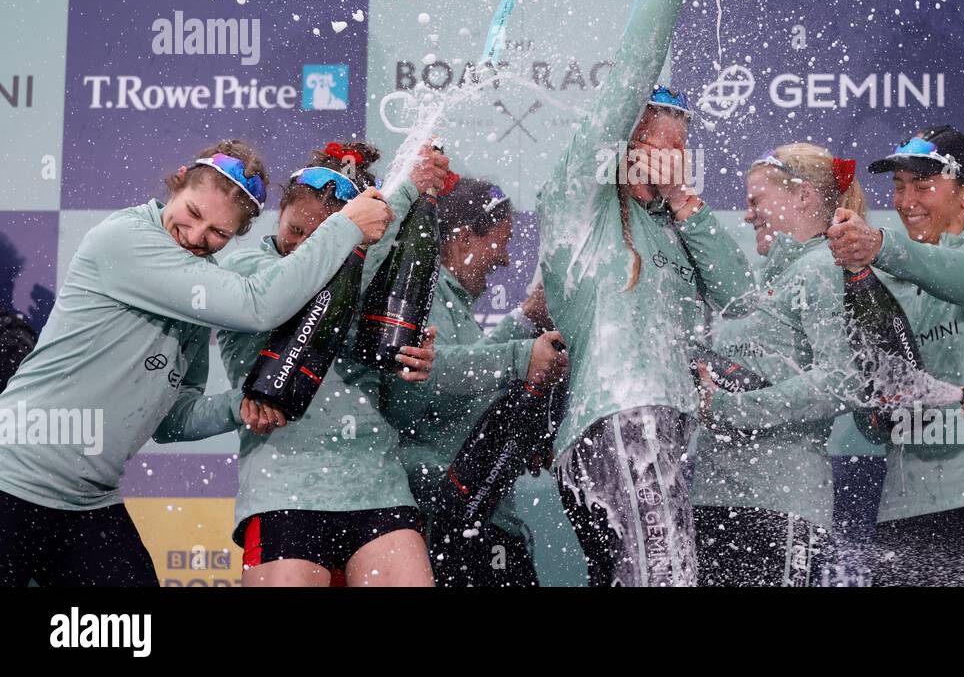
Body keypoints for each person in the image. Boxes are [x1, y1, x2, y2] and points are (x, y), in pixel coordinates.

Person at [0, 140, 392, 587]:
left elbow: (171, 420)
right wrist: (343, 228)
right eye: (192, 212)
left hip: (87, 502)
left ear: (236, 237)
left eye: (218, 233)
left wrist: (241, 404)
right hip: (10, 479)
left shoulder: (192, 293)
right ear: (178, 181)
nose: (194, 236)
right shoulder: (125, 238)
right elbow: (258, 306)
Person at [536, 0, 756, 586]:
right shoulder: (580, 201)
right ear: (624, 139)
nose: (671, 163)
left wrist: (688, 202)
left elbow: (742, 301)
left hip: (654, 427)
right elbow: (633, 69)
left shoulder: (669, 223)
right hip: (621, 420)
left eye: (682, 152)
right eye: (661, 147)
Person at [156, 140, 450, 587]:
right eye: (295, 230)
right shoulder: (245, 271)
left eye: (322, 235)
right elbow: (305, 301)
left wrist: (411, 365)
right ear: (279, 215)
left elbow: (402, 404)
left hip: (376, 483)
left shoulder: (368, 277)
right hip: (282, 491)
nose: (304, 247)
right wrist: (404, 191)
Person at [827, 125, 964, 586]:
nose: (906, 200)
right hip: (905, 508)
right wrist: (872, 414)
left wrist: (884, 248)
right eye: (899, 185)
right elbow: (871, 392)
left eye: (924, 186)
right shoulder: (882, 280)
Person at [379, 175, 568, 586]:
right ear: (463, 239)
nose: (503, 259)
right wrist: (522, 357)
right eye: (499, 242)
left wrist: (525, 320)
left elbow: (466, 377)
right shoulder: (420, 295)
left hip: (476, 507)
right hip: (449, 509)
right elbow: (429, 374)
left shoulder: (449, 300)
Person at [692, 144, 864, 586]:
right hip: (712, 496)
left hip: (779, 504)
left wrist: (728, 408)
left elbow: (841, 382)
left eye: (756, 201)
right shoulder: (765, 280)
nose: (748, 215)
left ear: (803, 196)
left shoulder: (824, 268)